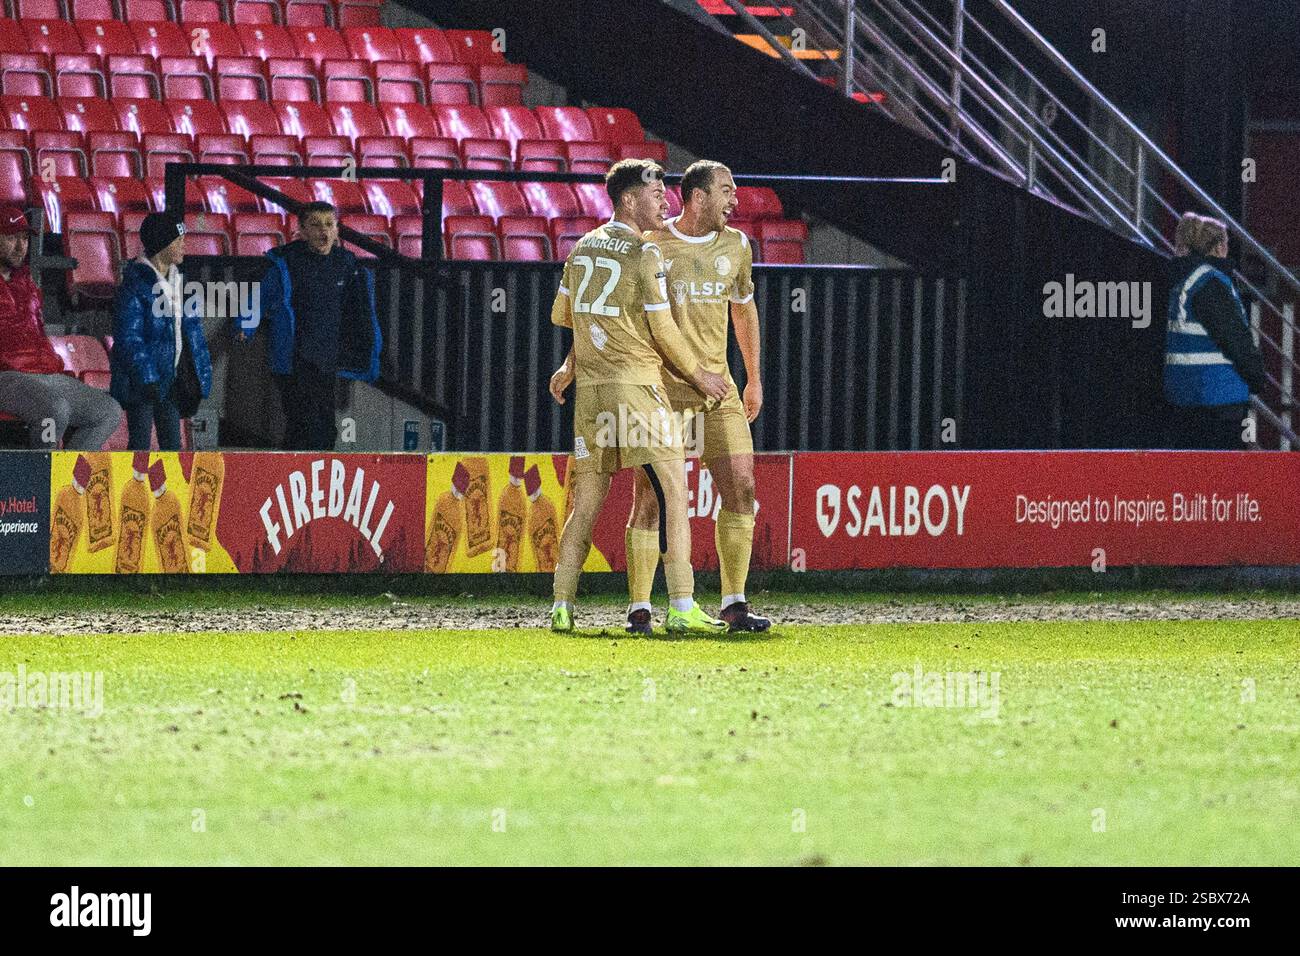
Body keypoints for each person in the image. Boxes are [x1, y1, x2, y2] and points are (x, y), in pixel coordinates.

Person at [546, 159, 730, 634]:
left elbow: (572, 316)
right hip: (637, 390)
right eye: (656, 194)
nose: (665, 201)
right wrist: (699, 375)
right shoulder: (646, 255)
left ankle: (562, 606)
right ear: (629, 199)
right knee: (674, 490)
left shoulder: (582, 248)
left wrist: (568, 366)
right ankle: (684, 605)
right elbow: (663, 329)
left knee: (584, 504)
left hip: (591, 394)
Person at [629, 161, 771, 633]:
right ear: (698, 196)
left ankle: (735, 603)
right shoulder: (652, 244)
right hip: (662, 391)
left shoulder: (736, 245)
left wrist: (753, 379)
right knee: (651, 500)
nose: (736, 200)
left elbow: (744, 309)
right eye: (727, 190)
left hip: (719, 389)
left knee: (742, 488)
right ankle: (640, 608)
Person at [248, 201, 381, 451]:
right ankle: (292, 481)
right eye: (316, 225)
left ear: (337, 230)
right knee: (303, 424)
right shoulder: (287, 262)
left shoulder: (346, 264)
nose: (324, 232)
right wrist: (244, 328)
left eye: (330, 225)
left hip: (328, 358)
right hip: (295, 358)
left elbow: (360, 310)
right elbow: (259, 298)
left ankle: (317, 483)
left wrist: (366, 349)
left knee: (326, 428)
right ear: (302, 230)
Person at [0, 207, 122, 450]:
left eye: (24, 238)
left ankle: (66, 479)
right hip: (7, 377)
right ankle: (40, 478)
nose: (20, 246)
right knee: (54, 410)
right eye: (11, 237)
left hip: (44, 375)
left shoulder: (28, 284)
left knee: (108, 411)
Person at [1163, 212, 1266, 449]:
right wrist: (1256, 376)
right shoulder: (1211, 282)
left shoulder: (1185, 280)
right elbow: (1234, 337)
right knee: (1222, 480)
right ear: (1220, 246)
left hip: (1185, 396)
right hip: (1218, 397)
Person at [110, 211, 212, 451]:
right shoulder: (136, 285)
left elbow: (192, 334)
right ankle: (135, 488)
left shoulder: (181, 282)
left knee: (173, 448)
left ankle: (168, 490)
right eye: (178, 241)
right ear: (161, 244)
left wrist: (200, 374)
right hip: (142, 384)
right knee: (140, 445)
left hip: (172, 382)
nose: (184, 245)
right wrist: (147, 377)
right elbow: (129, 338)